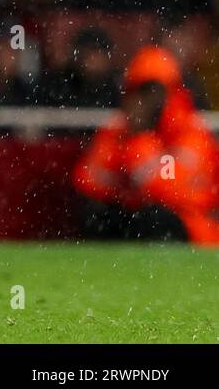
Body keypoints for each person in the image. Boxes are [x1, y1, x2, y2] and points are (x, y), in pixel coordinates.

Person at [73, 46, 219, 244]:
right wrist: (125, 187)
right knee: (97, 215)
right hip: (135, 216)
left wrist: (138, 141)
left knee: (157, 218)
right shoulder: (120, 128)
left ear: (171, 92)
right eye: (141, 91)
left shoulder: (192, 133)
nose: (147, 100)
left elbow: (168, 191)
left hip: (191, 229)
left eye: (153, 90)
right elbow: (87, 179)